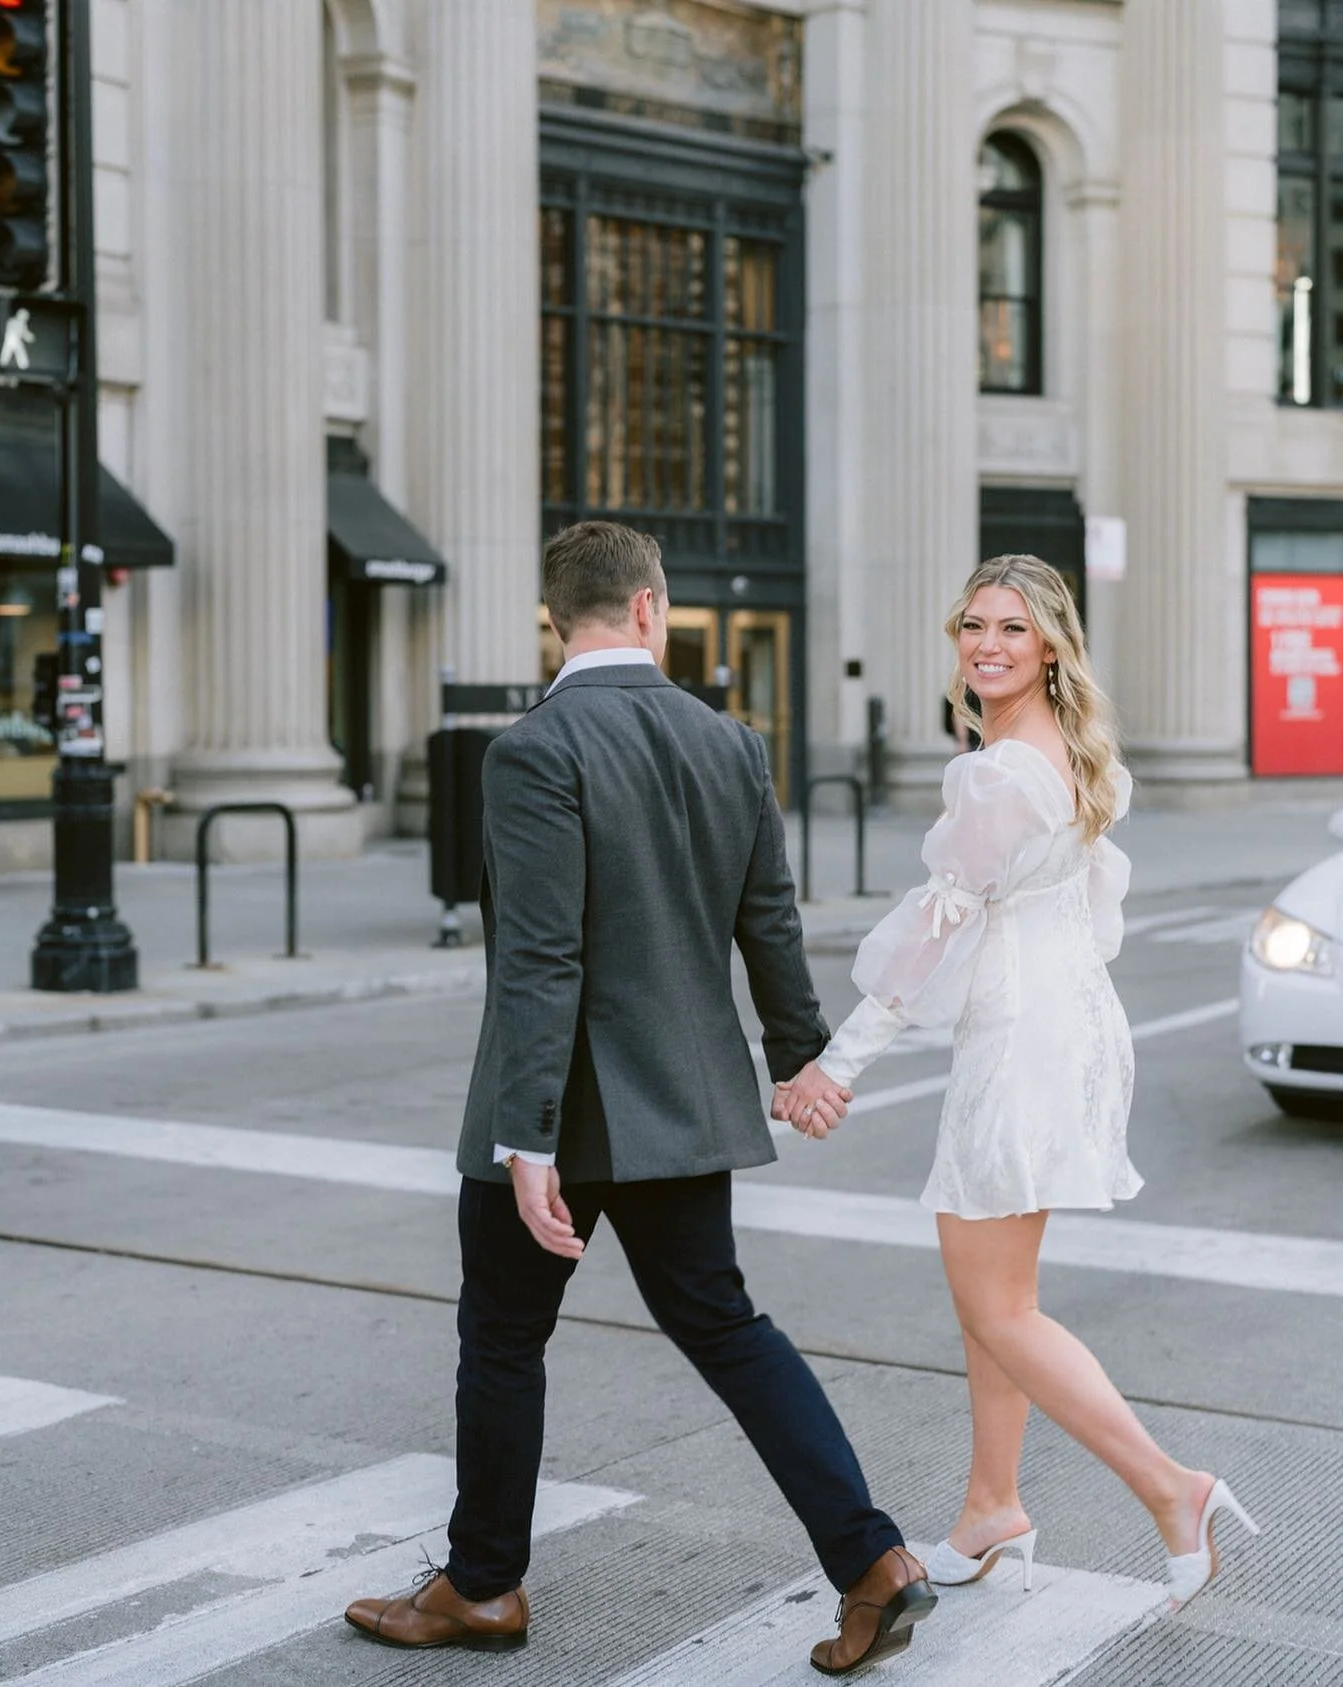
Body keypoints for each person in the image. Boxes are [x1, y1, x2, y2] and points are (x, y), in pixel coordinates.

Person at [344, 520, 937, 1675]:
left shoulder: (532, 749)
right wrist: (795, 1057)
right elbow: (767, 919)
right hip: (680, 1107)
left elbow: (538, 958)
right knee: (727, 1328)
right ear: (652, 609)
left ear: (555, 620)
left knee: (503, 1340)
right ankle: (872, 1562)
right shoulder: (732, 745)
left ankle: (482, 1585)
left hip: (562, 1117)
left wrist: (524, 1139)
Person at [774, 554, 1259, 1614]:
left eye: (1008, 628)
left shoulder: (998, 773)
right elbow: (1083, 909)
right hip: (1064, 1021)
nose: (984, 644)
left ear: (1048, 646)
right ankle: (991, 1509)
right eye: (970, 625)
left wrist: (832, 1066)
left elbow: (929, 934)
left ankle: (1170, 1488)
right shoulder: (1062, 751)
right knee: (991, 1299)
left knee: (998, 1307)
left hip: (1024, 1040)